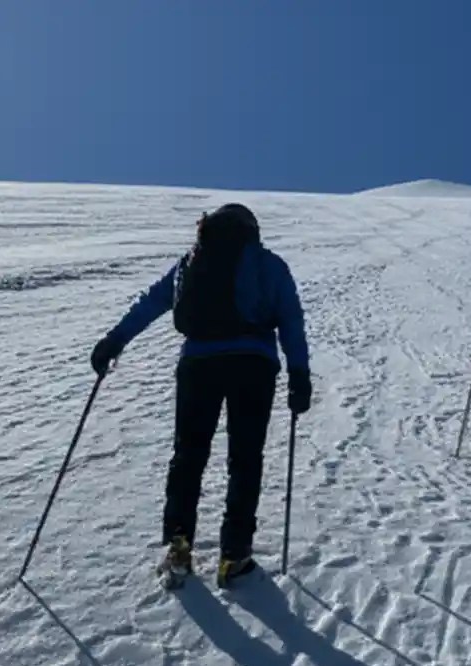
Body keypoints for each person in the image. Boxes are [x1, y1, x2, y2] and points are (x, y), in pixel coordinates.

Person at [89, 203, 311, 587]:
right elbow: (290, 318)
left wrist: (114, 340)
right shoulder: (268, 264)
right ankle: (234, 555)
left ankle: (178, 546)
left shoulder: (192, 262)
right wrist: (299, 374)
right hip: (252, 366)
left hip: (198, 364)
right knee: (245, 459)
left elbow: (153, 302)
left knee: (189, 454)